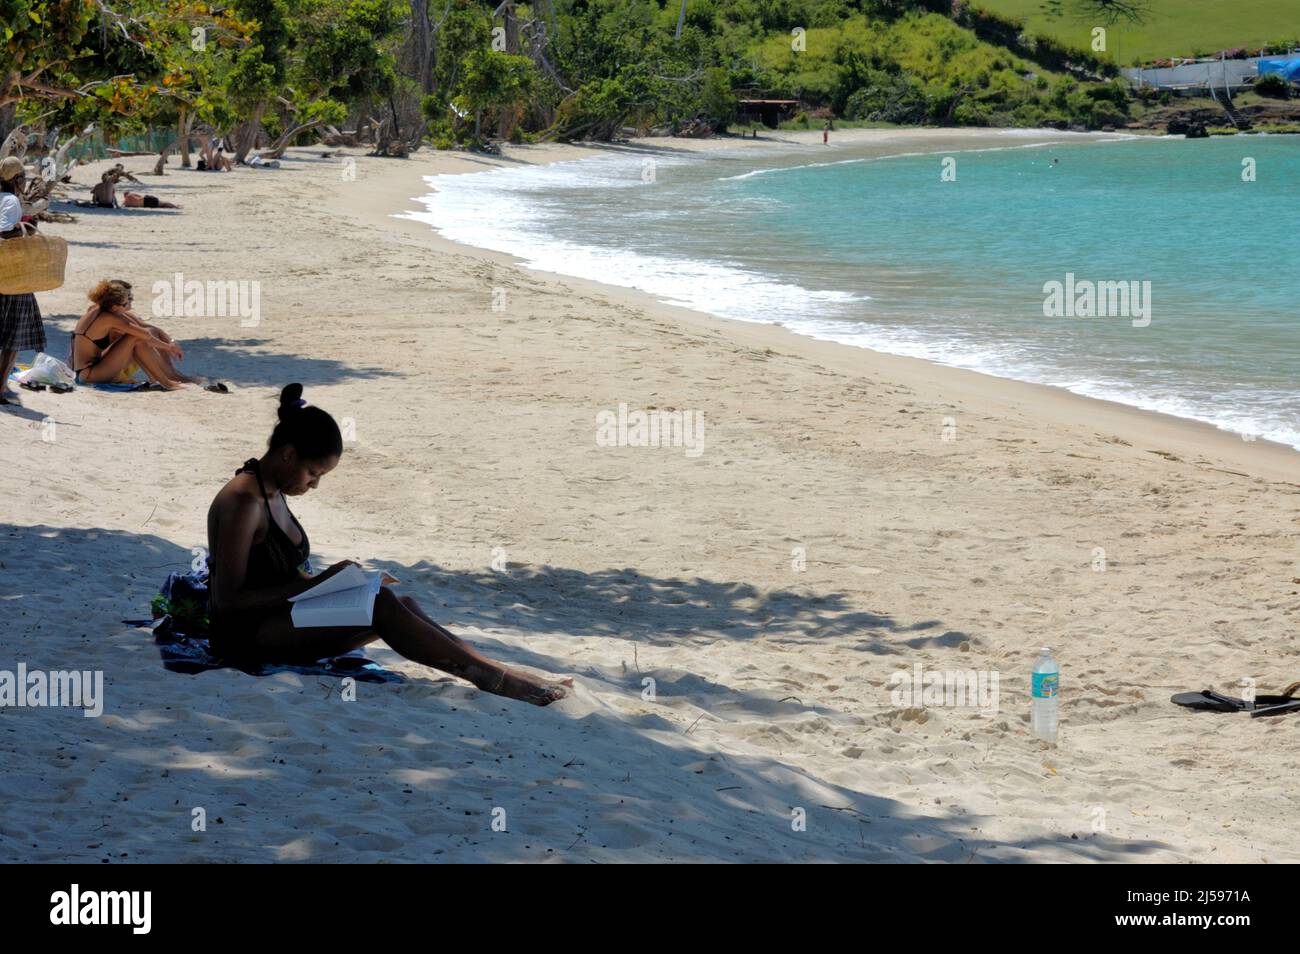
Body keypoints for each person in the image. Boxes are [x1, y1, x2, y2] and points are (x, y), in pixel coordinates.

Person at [205, 384, 570, 706]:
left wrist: (337, 583)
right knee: (380, 606)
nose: (314, 485)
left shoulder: (274, 490)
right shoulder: (244, 502)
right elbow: (227, 601)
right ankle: (489, 677)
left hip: (278, 619)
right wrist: (318, 584)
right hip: (245, 637)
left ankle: (492, 667)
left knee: (397, 601)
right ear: (287, 454)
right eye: (313, 473)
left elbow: (273, 576)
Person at [70, 279, 195, 388]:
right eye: (125, 303)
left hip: (91, 369)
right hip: (89, 375)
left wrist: (170, 343)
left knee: (138, 336)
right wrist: (169, 347)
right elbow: (145, 336)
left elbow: (149, 330)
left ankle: (167, 377)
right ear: (114, 306)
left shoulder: (103, 312)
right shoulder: (109, 318)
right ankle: (166, 382)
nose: (129, 304)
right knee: (136, 337)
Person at [0, 156, 47, 406]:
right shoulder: (10, 201)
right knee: (12, 337)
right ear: (17, 179)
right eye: (23, 178)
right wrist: (25, 229)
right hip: (11, 276)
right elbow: (4, 232)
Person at [90, 172, 182, 209]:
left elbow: (93, 193)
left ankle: (174, 206)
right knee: (162, 203)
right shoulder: (129, 195)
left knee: (161, 205)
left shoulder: (126, 203)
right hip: (146, 200)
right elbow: (140, 196)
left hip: (145, 204)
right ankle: (175, 206)